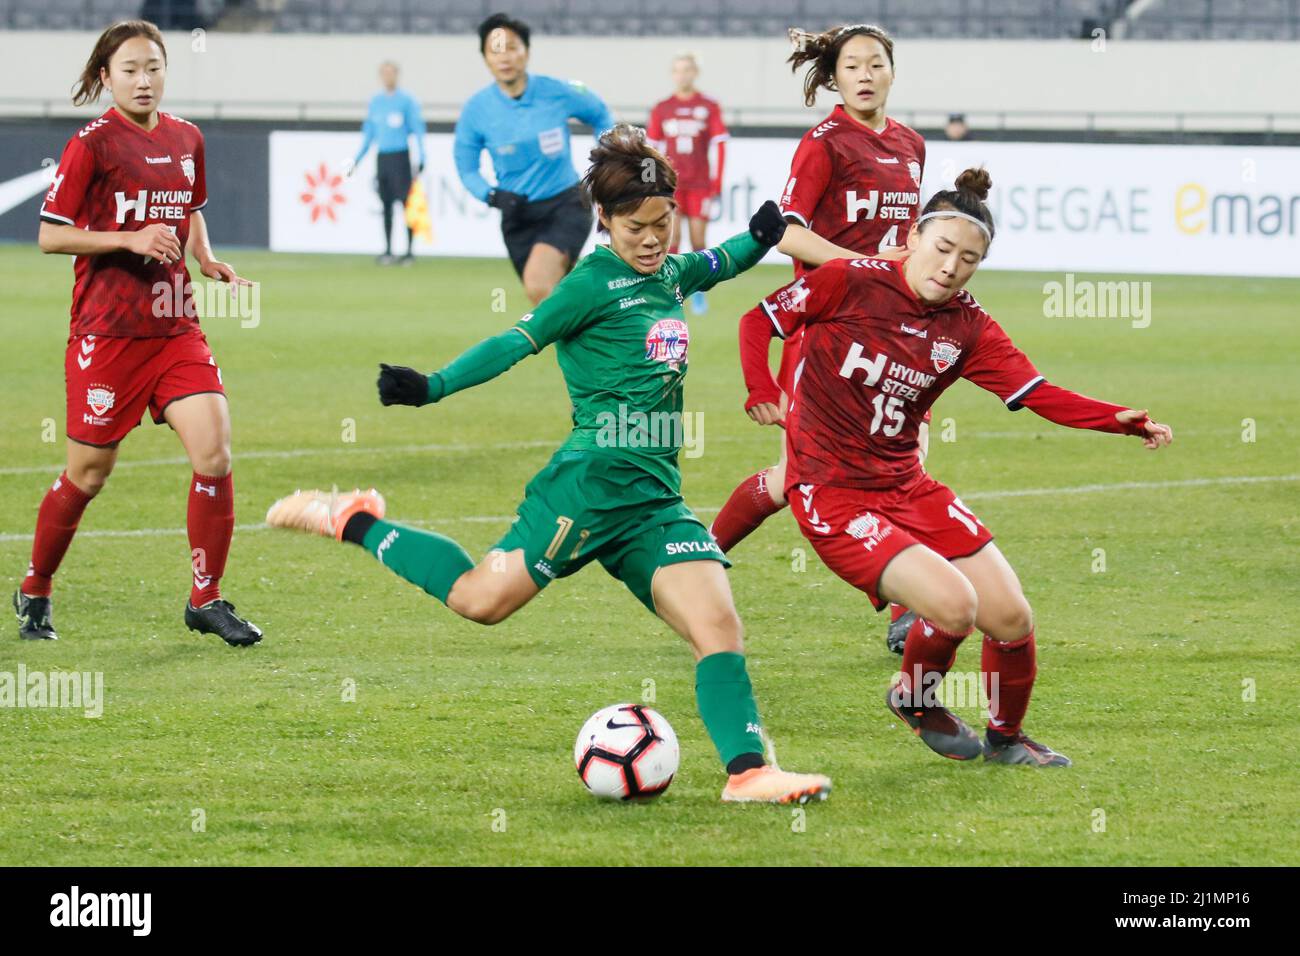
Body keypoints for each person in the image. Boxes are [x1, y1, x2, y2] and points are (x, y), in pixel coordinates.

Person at [265, 126, 831, 804]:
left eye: (662, 223)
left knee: (719, 626)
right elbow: (516, 341)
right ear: (604, 220)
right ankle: (354, 520)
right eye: (635, 227)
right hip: (585, 491)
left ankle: (749, 774)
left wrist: (763, 235)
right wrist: (433, 386)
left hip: (653, 500)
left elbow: (721, 260)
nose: (652, 239)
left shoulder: (671, 273)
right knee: (480, 601)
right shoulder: (589, 284)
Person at [736, 168, 1173, 767]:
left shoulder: (968, 325)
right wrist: (761, 387)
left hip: (907, 486)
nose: (951, 266)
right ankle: (915, 701)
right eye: (942, 248)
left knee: (1011, 617)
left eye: (969, 259)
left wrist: (1113, 418)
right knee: (954, 606)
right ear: (913, 239)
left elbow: (1036, 390)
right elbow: (758, 319)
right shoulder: (847, 280)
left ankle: (1006, 739)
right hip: (832, 492)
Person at [16, 20, 261, 646]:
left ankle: (205, 598)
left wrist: (204, 258)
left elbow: (189, 207)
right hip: (107, 334)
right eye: (129, 69)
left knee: (215, 451)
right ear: (106, 77)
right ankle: (37, 584)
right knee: (89, 475)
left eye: (153, 67)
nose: (143, 79)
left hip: (175, 324)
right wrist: (126, 237)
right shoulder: (91, 145)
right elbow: (49, 234)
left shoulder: (187, 137)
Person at [709, 23, 929, 655]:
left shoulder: (912, 145)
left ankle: (903, 603)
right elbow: (786, 232)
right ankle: (698, 558)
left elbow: (901, 238)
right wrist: (857, 270)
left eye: (875, 63)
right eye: (851, 65)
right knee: (794, 479)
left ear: (892, 71)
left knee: (903, 468)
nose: (864, 73)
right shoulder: (823, 143)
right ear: (834, 78)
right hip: (825, 333)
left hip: (895, 336)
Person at [454, 13, 616, 305]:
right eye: (495, 50)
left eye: (513, 47)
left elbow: (600, 113)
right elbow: (466, 167)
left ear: (526, 52)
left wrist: (607, 153)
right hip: (516, 215)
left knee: (539, 285)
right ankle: (607, 319)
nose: (505, 58)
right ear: (485, 58)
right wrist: (491, 195)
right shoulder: (476, 110)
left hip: (566, 204)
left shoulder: (557, 91)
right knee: (555, 295)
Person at [646, 52, 729, 315]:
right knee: (672, 239)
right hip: (671, 185)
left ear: (694, 73)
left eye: (687, 70)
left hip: (700, 184)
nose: (682, 75)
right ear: (673, 74)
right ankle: (670, 290)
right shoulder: (662, 107)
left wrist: (717, 181)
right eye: (678, 70)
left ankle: (699, 293)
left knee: (698, 240)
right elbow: (652, 149)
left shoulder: (708, 105)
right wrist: (650, 183)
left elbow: (720, 144)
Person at [345, 61, 427, 265]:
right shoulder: (376, 102)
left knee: (407, 204)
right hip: (383, 158)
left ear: (397, 75)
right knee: (386, 205)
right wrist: (356, 161)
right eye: (384, 74)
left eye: (391, 73)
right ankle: (388, 250)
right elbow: (369, 135)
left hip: (401, 157)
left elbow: (418, 130)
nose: (388, 77)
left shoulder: (407, 101)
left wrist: (422, 157)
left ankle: (409, 251)